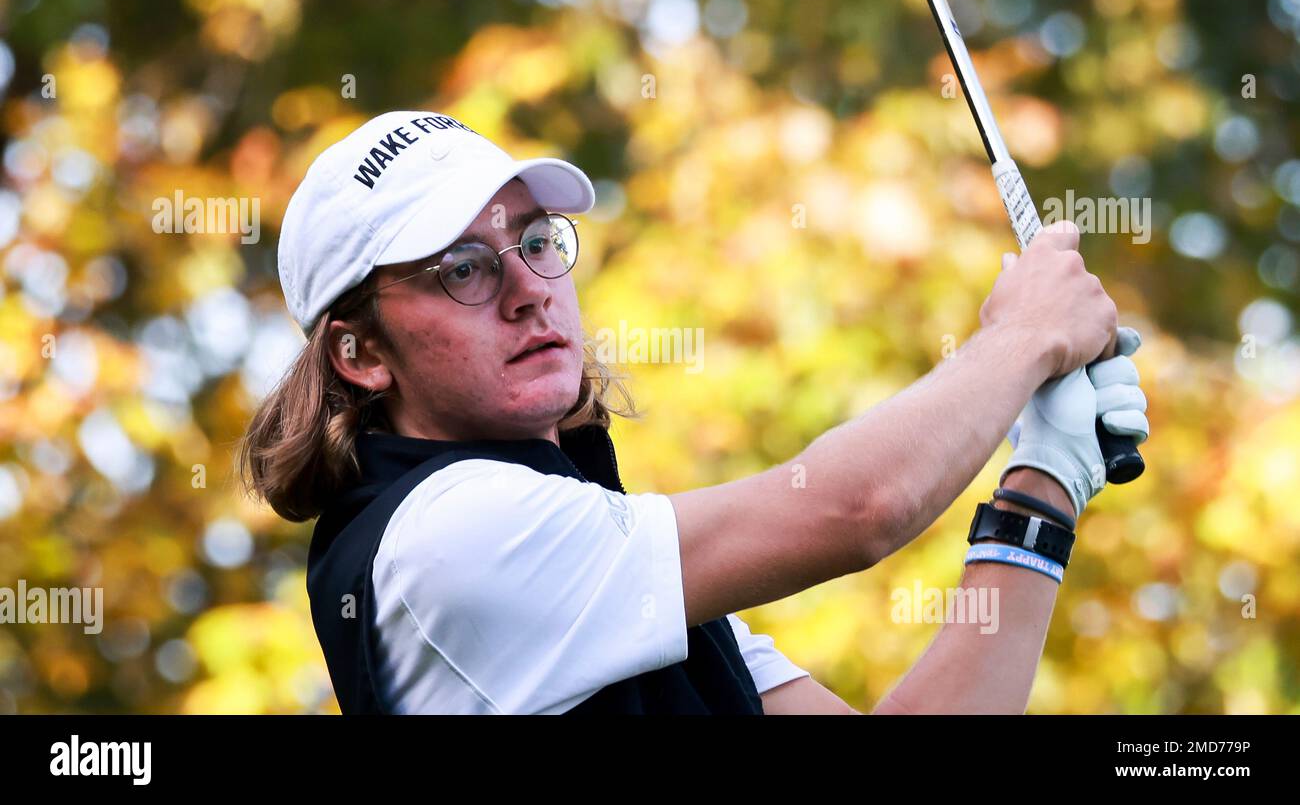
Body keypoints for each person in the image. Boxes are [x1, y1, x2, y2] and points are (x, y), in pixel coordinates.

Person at [238, 110, 1150, 714]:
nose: (529, 290)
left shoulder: (612, 564)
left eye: (534, 240)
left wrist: (1047, 480)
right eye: (462, 268)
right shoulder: (444, 535)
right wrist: (1025, 336)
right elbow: (856, 507)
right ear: (359, 353)